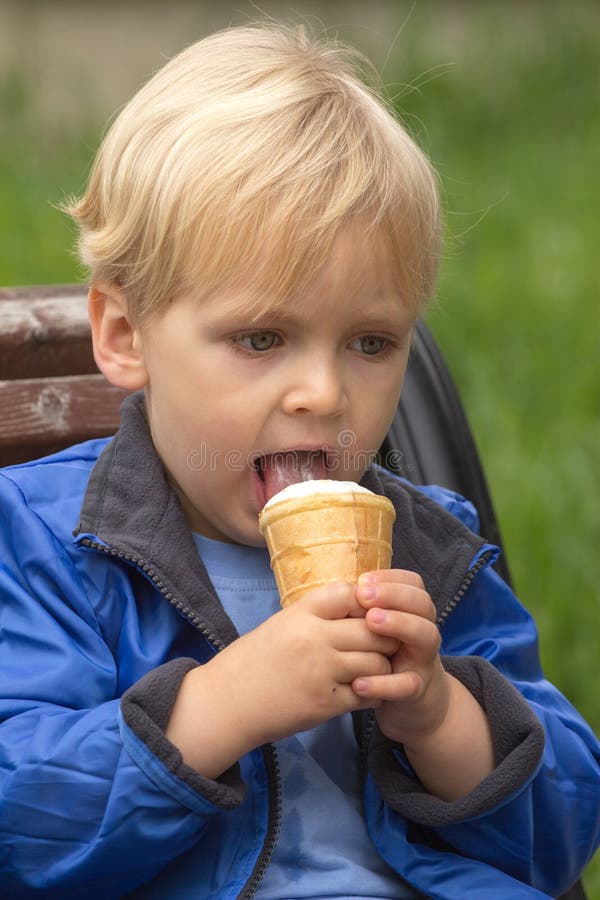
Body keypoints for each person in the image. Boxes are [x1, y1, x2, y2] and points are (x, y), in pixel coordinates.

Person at [0, 21, 598, 900]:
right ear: (125, 335)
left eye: (369, 341)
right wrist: (219, 708)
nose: (322, 391)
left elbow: (564, 836)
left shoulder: (433, 555)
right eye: (261, 337)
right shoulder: (46, 545)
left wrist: (441, 717)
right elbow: (21, 825)